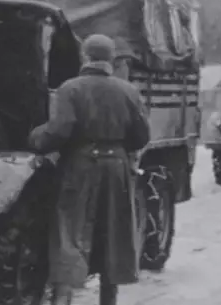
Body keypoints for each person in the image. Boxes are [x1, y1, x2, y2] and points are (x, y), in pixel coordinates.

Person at [28, 34, 151, 305]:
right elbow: (142, 137)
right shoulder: (128, 91)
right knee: (114, 233)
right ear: (110, 59)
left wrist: (36, 137)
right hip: (117, 168)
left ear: (85, 57)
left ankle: (63, 299)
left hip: (80, 166)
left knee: (70, 233)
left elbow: (60, 131)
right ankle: (109, 300)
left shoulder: (70, 89)